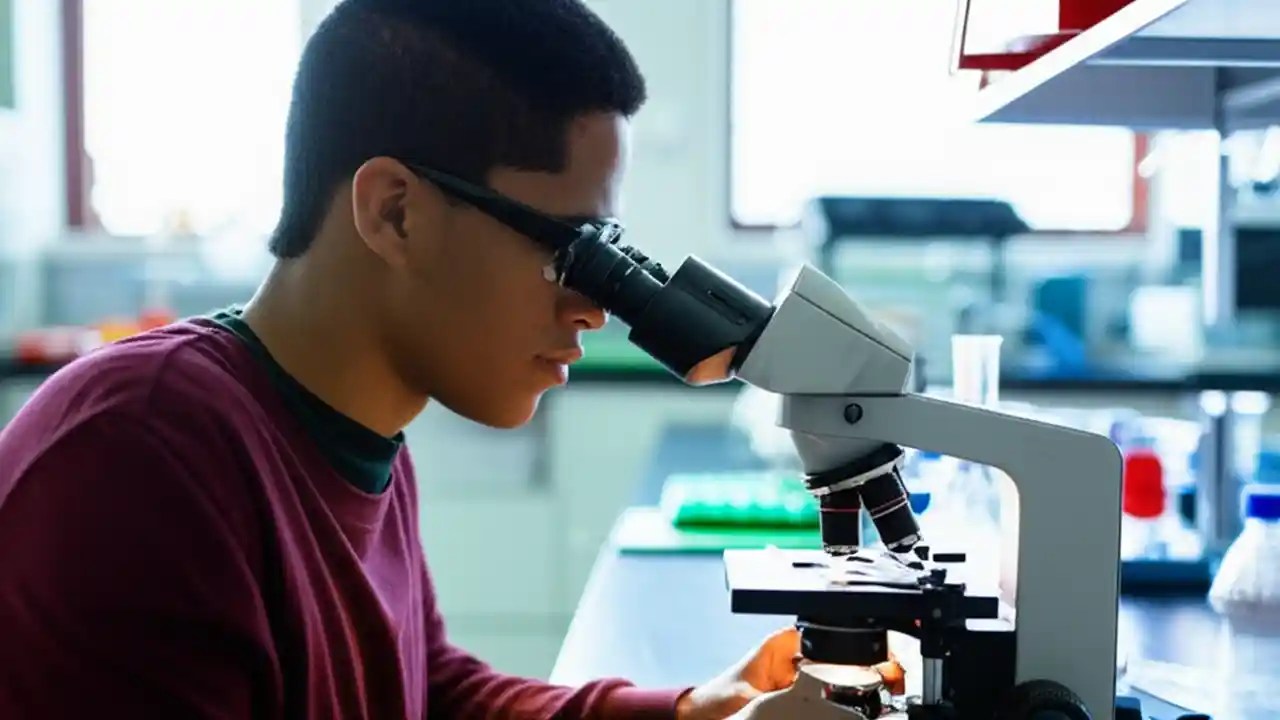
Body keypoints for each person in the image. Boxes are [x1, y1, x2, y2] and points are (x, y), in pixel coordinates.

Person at [0, 0, 806, 717]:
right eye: (571, 250)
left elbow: (430, 687)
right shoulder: (140, 457)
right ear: (396, 214)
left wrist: (696, 709)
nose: (593, 307)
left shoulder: (353, 425)